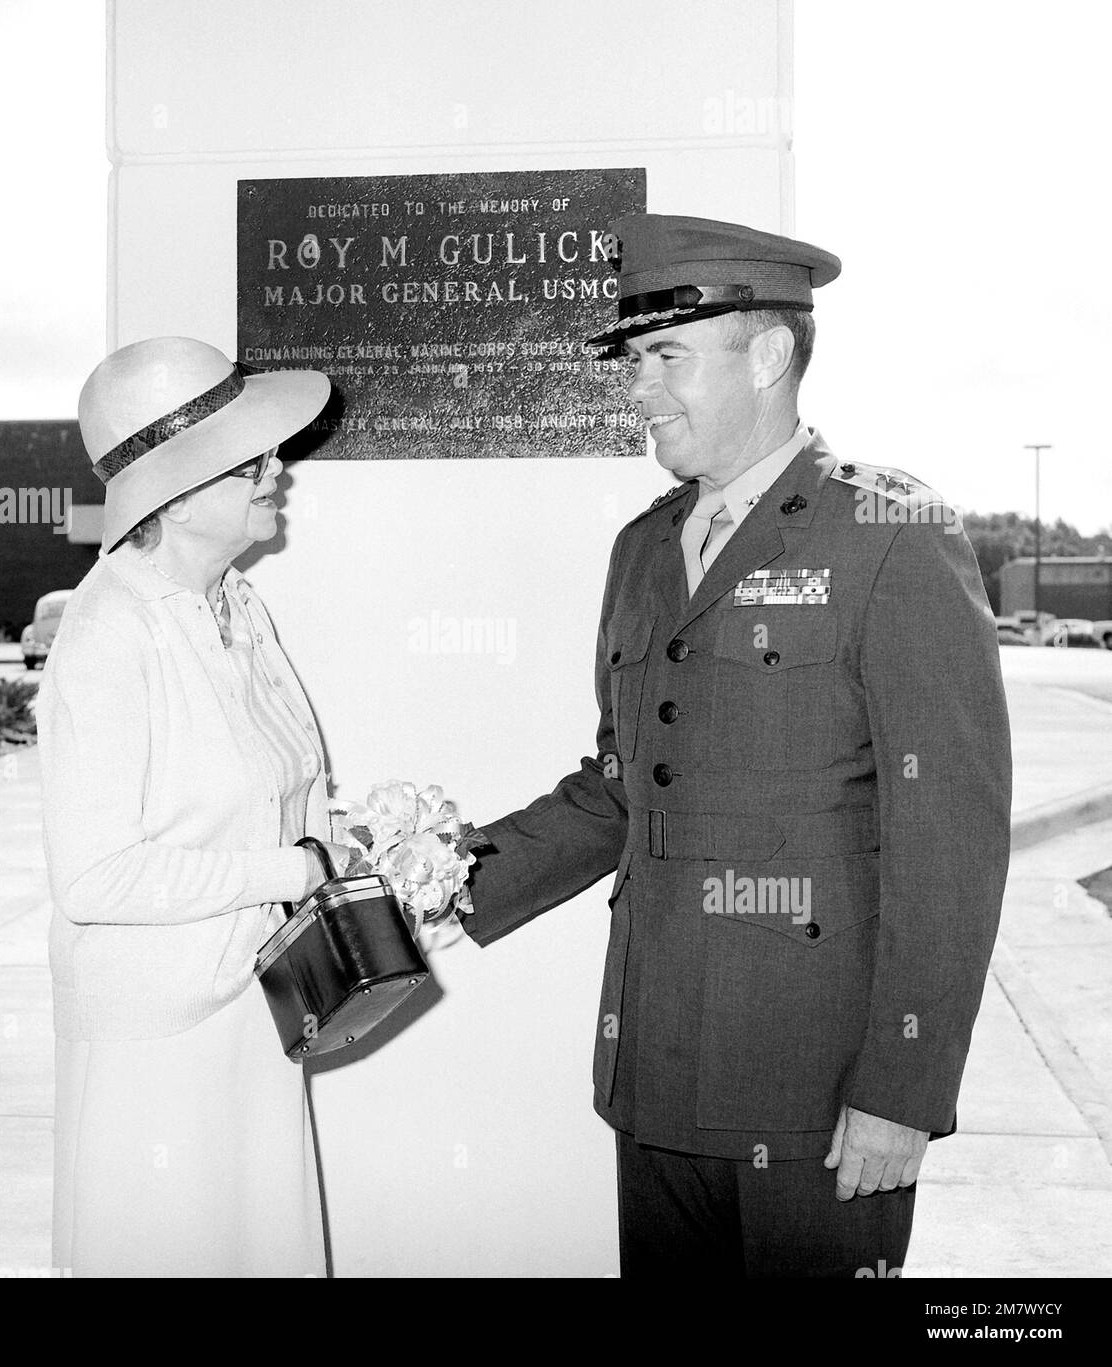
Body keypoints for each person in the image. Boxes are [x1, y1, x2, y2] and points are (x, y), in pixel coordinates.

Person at [460, 215, 1011, 1277]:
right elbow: (623, 786)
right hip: (657, 1068)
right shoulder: (643, 547)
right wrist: (446, 875)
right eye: (634, 360)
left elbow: (949, 835)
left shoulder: (889, 532)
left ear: (766, 355)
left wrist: (902, 1086)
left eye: (664, 356)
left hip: (820, 1092)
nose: (639, 389)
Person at [38, 336, 350, 1277]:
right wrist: (289, 870)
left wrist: (348, 848)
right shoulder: (108, 633)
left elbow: (276, 792)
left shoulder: (236, 604)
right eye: (250, 456)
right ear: (173, 493)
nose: (277, 469)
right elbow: (94, 877)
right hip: (156, 1051)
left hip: (251, 1016)